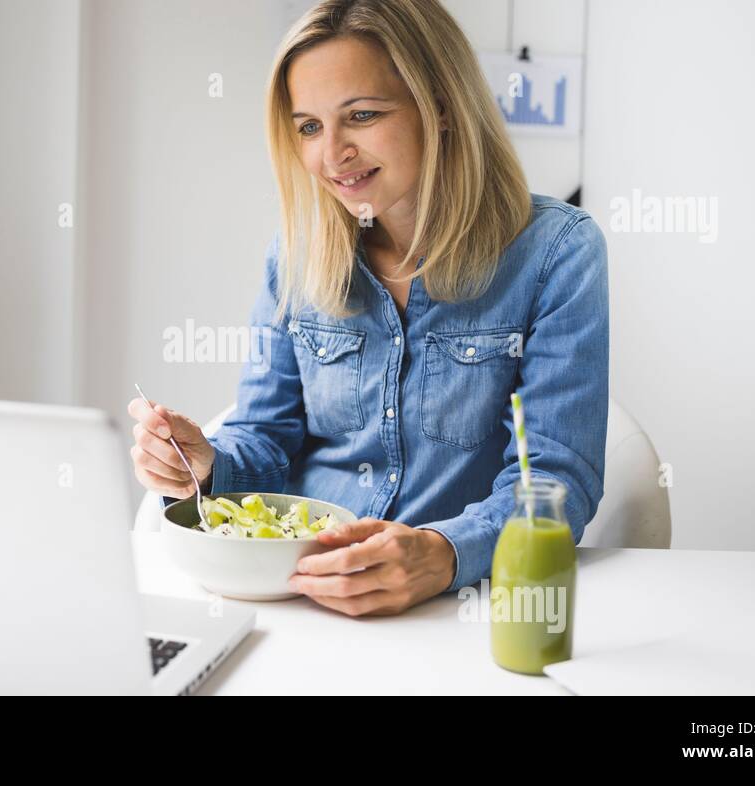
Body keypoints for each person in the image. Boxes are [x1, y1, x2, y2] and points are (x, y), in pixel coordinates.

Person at [129, 0, 608, 617]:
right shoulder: (298, 255)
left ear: (439, 106)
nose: (333, 156)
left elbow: (557, 482)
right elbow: (266, 440)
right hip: (297, 597)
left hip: (454, 609)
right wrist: (209, 463)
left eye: (361, 115)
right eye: (308, 127)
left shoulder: (557, 252)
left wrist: (441, 552)